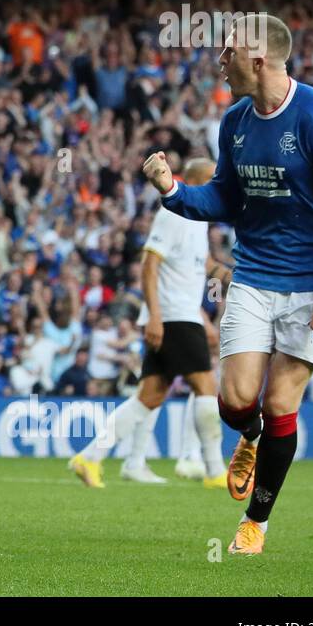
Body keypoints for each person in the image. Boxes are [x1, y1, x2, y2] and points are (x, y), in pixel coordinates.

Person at [142, 13, 313, 555]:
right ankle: (248, 438)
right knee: (235, 400)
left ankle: (255, 522)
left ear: (258, 59)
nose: (219, 61)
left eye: (227, 52)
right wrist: (172, 189)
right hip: (253, 275)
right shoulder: (234, 122)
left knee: (280, 401)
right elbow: (225, 198)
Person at [69, 158, 229, 489]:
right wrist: (154, 316)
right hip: (173, 316)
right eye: (214, 179)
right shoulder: (173, 213)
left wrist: (233, 276)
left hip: (180, 315)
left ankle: (90, 457)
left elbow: (204, 263)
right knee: (205, 386)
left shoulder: (198, 218)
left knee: (149, 397)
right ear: (197, 180)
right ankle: (213, 470)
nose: (219, 185)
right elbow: (148, 265)